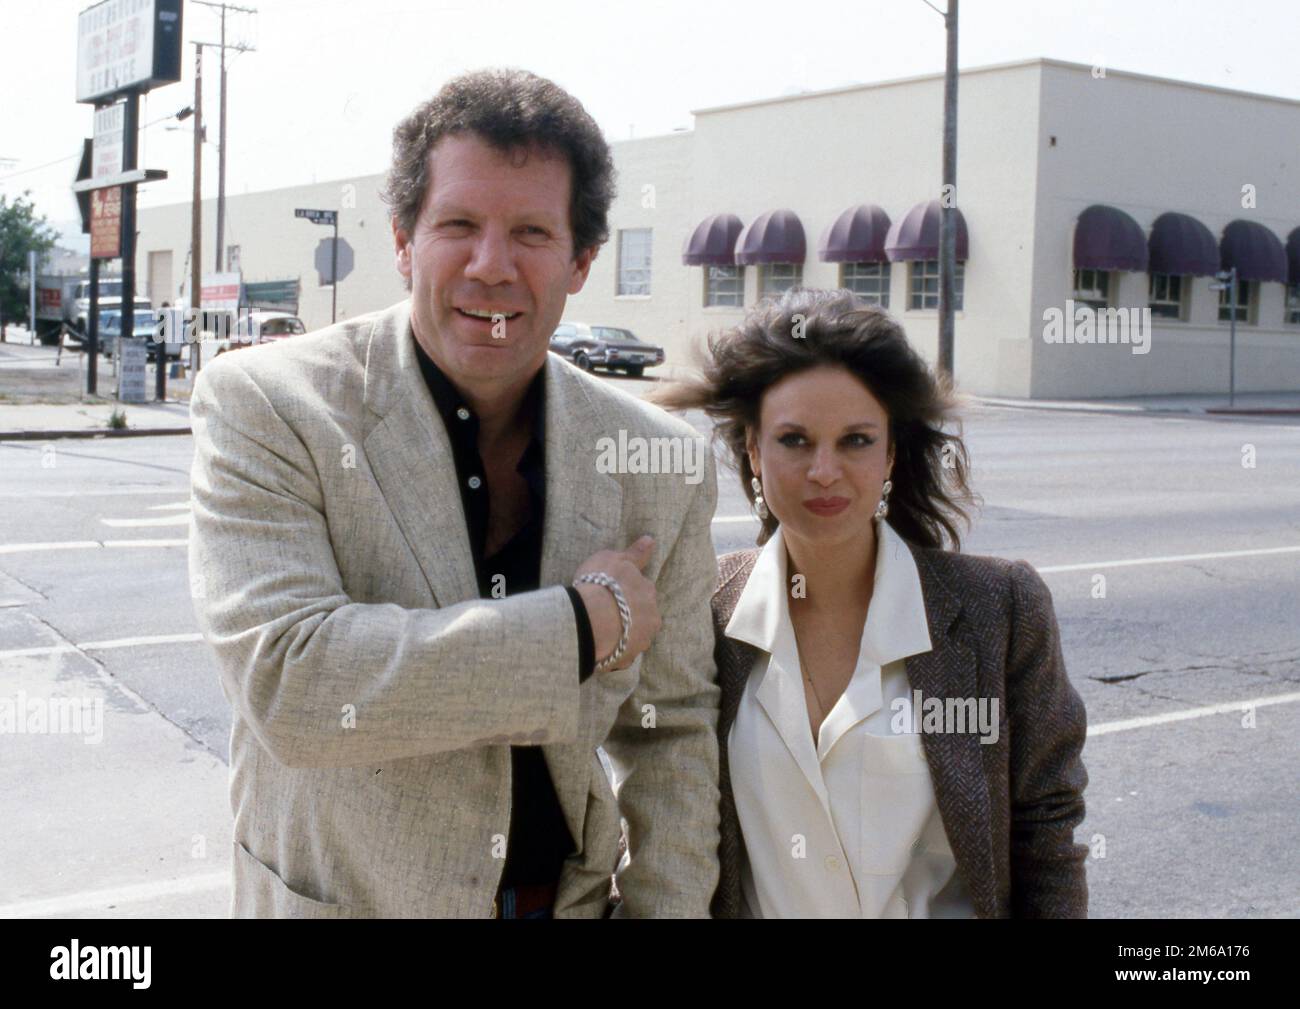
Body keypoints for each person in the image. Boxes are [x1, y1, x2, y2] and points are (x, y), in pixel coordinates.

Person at [188, 68, 721, 918]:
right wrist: (584, 625)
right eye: (459, 224)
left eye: (532, 232)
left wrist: (665, 907)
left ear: (582, 260)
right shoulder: (269, 403)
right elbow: (294, 686)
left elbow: (677, 725)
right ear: (403, 240)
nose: (491, 266)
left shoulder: (660, 459)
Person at [651, 287, 1088, 918]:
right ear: (752, 449)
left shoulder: (1001, 609)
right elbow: (659, 821)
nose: (824, 471)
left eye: (855, 440)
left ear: (889, 453)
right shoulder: (703, 611)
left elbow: (1046, 829)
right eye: (794, 440)